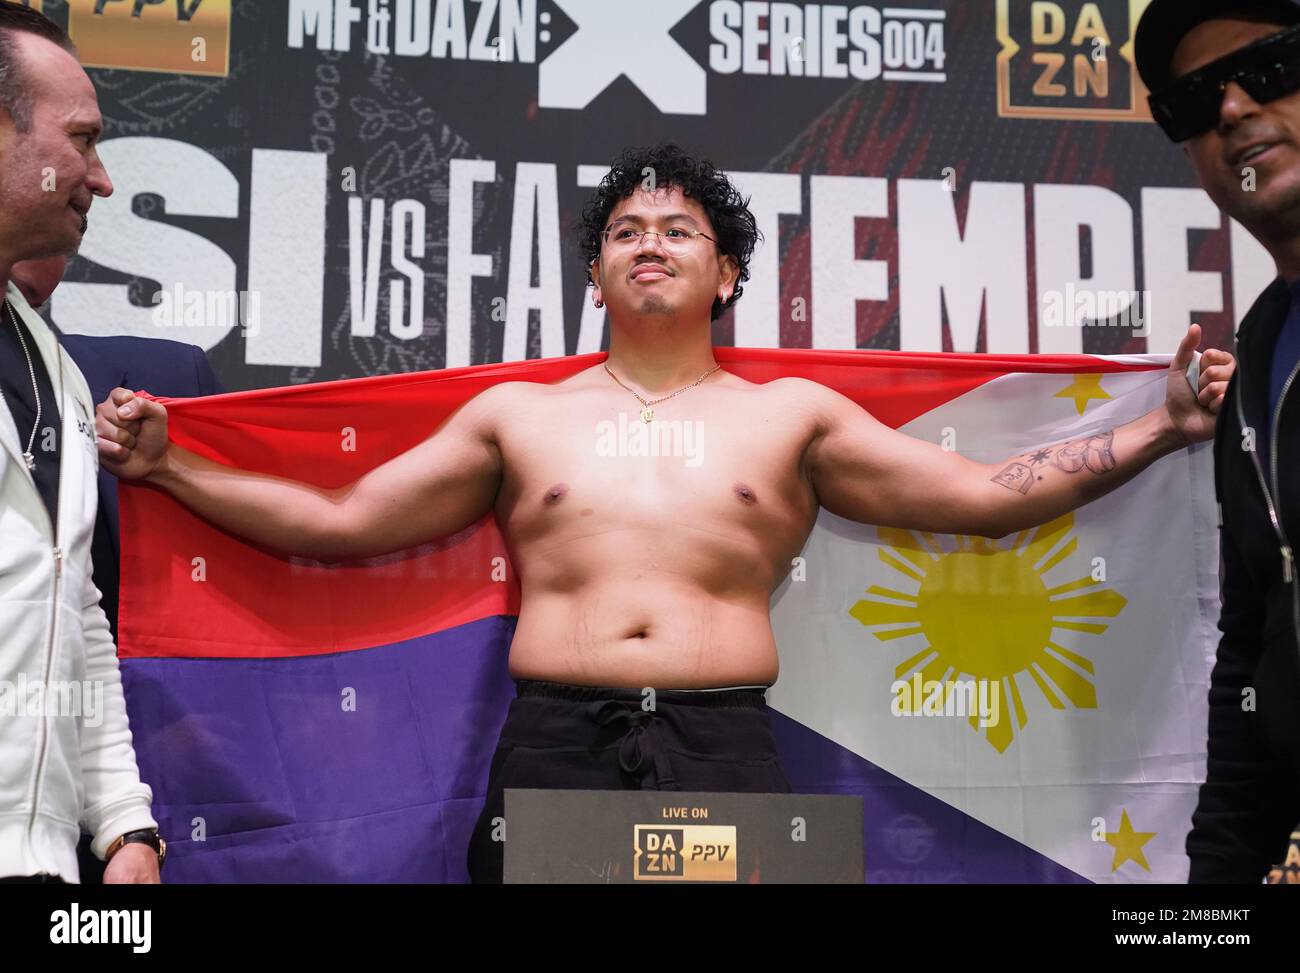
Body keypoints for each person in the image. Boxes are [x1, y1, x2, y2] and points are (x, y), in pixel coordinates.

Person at [95, 143, 1235, 883]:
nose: (651, 244)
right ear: (594, 276)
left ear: (727, 273)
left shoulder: (793, 415)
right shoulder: (515, 418)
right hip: (554, 749)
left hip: (725, 742)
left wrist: (1164, 425)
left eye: (679, 230)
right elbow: (344, 521)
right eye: (626, 233)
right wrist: (171, 468)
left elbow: (985, 500)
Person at [1136, 0, 1300, 883]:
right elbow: (1252, 654)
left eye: (1272, 66)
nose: (1233, 108)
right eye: (1195, 101)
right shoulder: (1260, 353)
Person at [0, 2, 161, 882]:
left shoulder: (59, 374)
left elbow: (76, 611)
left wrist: (126, 825)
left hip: (49, 867)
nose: (101, 179)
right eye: (84, 139)